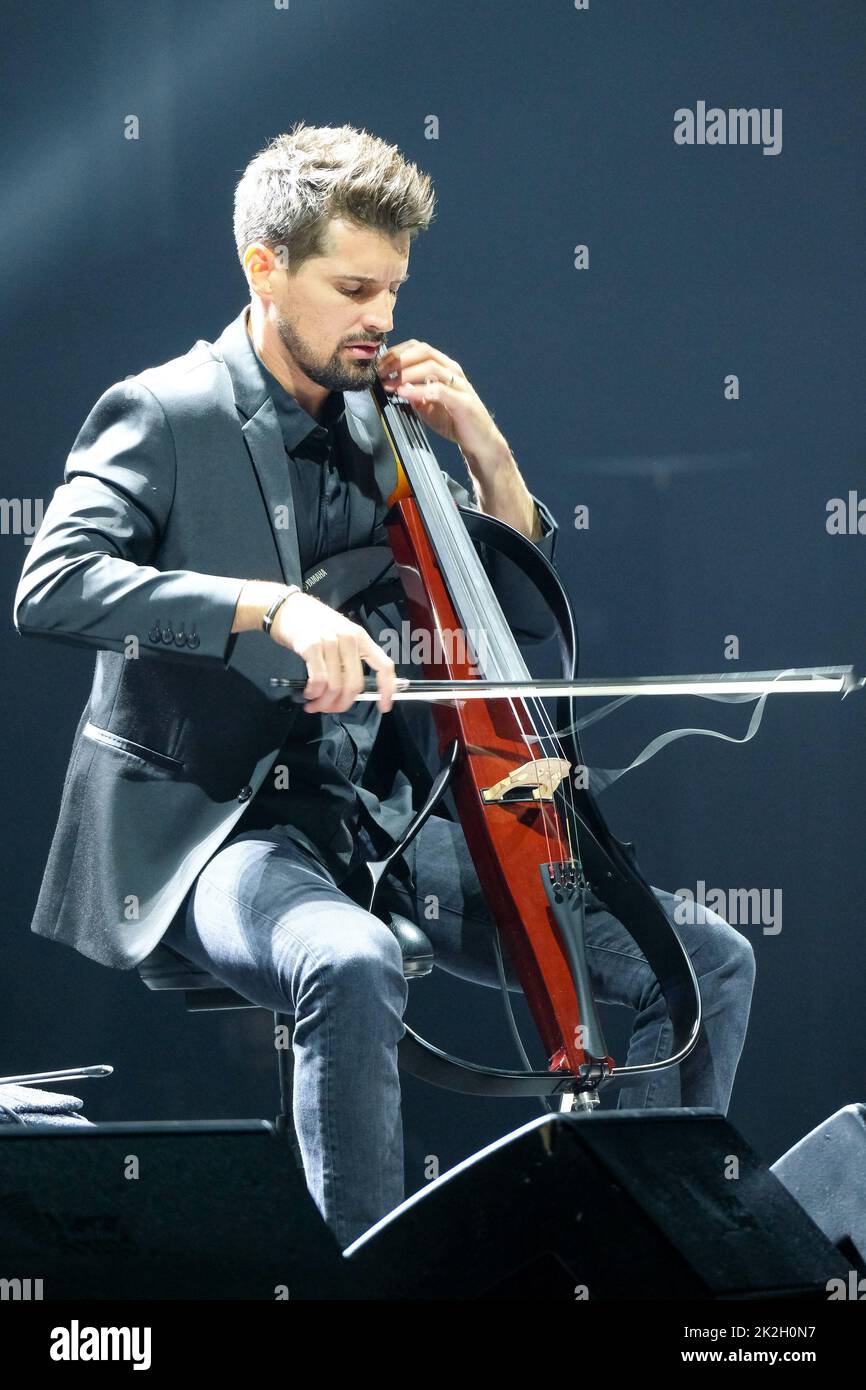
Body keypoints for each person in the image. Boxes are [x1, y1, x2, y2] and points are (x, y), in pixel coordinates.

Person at [13, 123, 755, 1251]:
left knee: (703, 958)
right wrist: (264, 608)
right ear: (265, 266)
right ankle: (359, 1284)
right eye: (353, 286)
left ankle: (641, 1249)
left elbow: (500, 634)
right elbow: (51, 584)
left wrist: (488, 457)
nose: (382, 318)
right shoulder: (164, 410)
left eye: (394, 289)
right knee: (345, 959)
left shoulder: (386, 425)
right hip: (220, 829)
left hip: (385, 825)